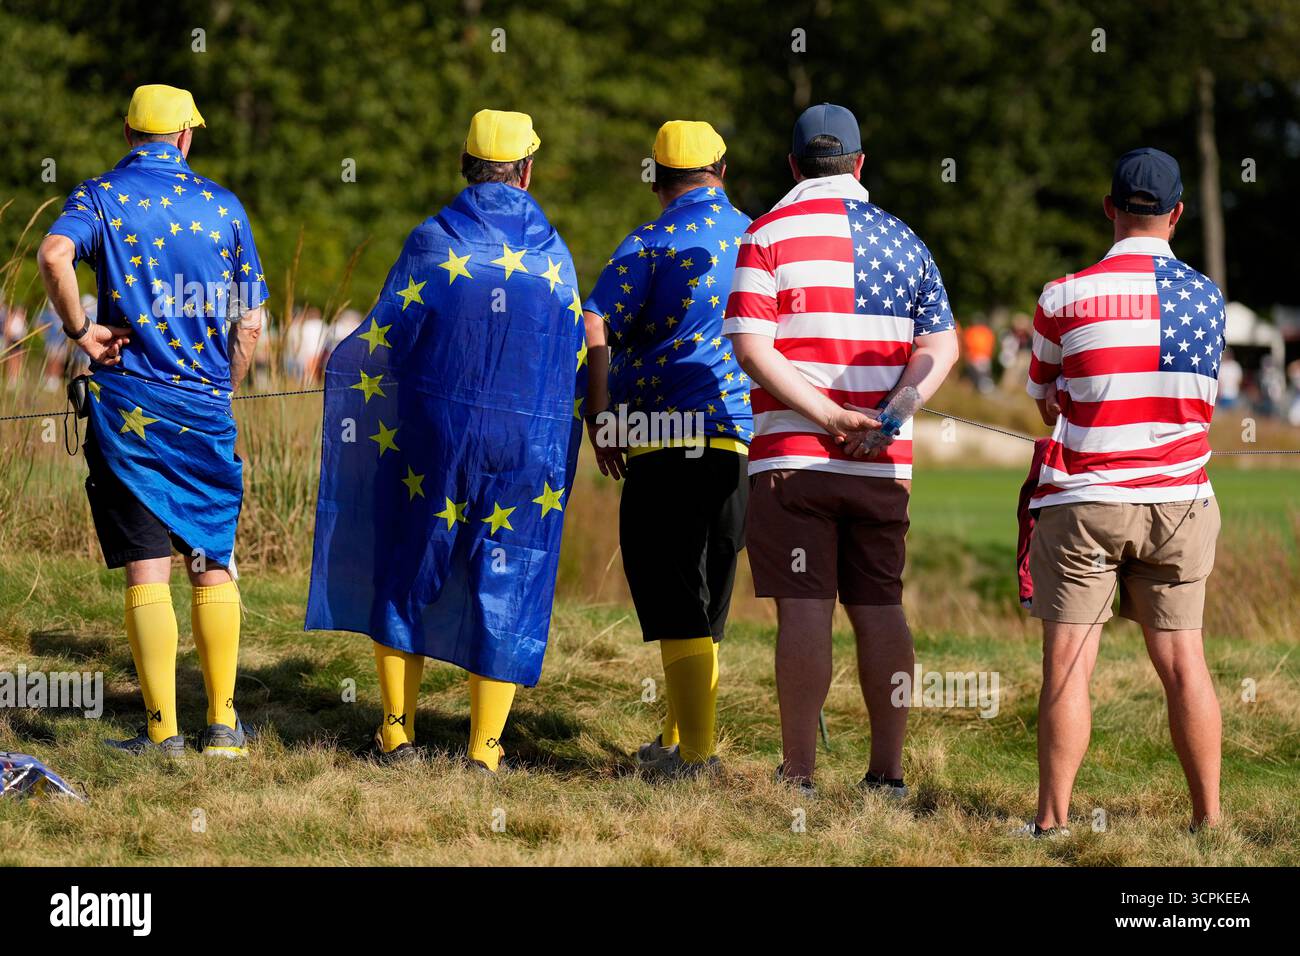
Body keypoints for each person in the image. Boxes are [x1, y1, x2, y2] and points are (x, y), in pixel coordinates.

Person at [305, 110, 586, 770]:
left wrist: (343, 374)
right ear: (526, 170)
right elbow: (571, 358)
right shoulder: (556, 259)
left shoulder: (432, 240)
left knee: (408, 563)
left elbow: (382, 340)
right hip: (523, 445)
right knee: (508, 566)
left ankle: (398, 736)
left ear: (467, 166)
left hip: (433, 439)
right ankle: (484, 753)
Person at [723, 103, 958, 794]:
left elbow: (748, 345)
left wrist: (826, 414)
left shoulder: (766, 234)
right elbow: (939, 344)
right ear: (859, 165)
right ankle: (887, 773)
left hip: (792, 458)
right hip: (881, 463)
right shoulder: (907, 241)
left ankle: (797, 774)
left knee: (804, 607)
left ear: (793, 166)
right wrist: (898, 409)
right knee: (880, 606)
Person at [36, 85, 267, 757]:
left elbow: (53, 255)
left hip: (128, 408)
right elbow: (250, 318)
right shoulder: (224, 207)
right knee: (209, 557)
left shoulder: (99, 196)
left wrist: (81, 330)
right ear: (186, 137)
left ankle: (164, 731)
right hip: (204, 412)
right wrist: (223, 386)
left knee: (147, 567)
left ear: (129, 133)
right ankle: (223, 727)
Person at [1024, 148, 1225, 835]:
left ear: (1109, 208)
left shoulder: (1064, 295)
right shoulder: (1209, 297)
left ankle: (1053, 822)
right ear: (1176, 214)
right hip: (1181, 502)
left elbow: (1045, 400)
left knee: (1069, 664)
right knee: (1183, 664)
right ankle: (1208, 820)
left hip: (1087, 501)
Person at [581, 121, 753, 777]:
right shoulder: (759, 238)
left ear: (656, 181)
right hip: (736, 439)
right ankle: (683, 736)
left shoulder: (648, 242)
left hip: (659, 435)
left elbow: (595, 319)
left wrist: (600, 416)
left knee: (674, 589)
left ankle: (698, 755)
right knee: (707, 592)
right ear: (722, 170)